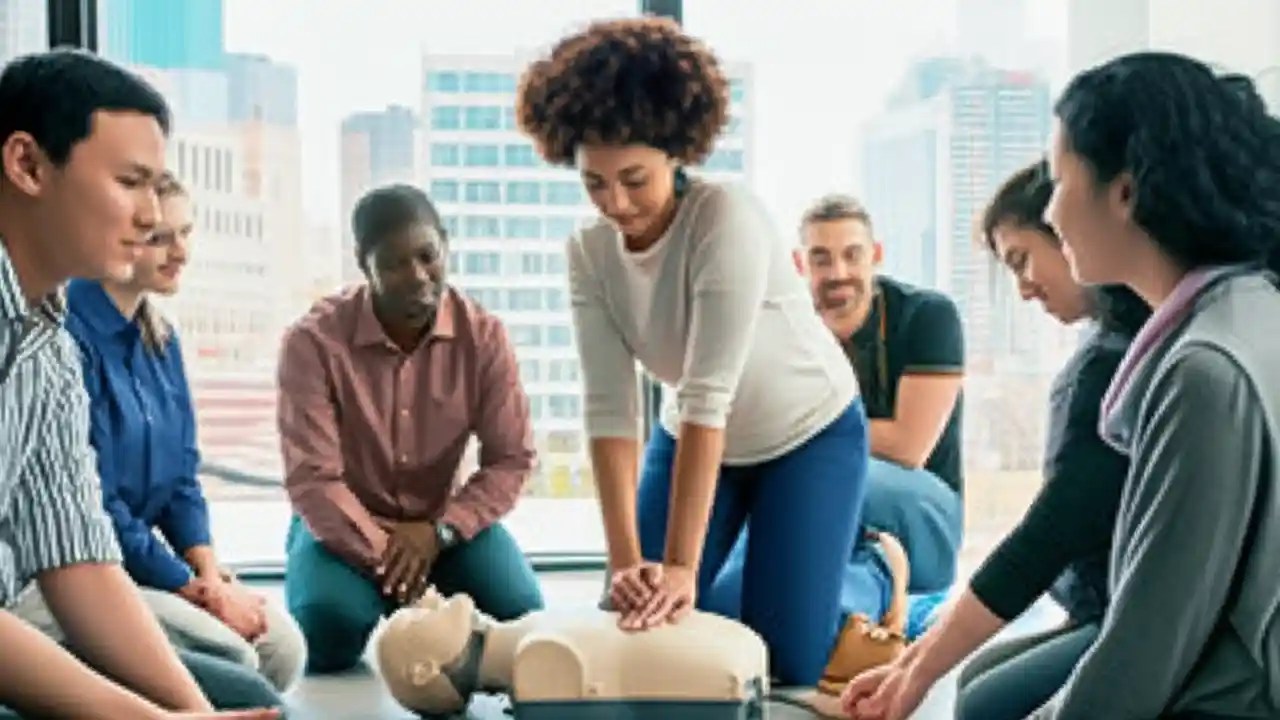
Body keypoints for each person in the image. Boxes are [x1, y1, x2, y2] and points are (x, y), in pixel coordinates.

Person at [871, 52, 1280, 719]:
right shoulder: (1249, 307)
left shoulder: (1202, 373)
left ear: (1125, 192)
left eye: (1060, 181)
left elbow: (1145, 647)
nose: (1053, 209)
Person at [516, 16, 873, 687]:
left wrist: (681, 568)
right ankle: (759, 560)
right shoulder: (588, 255)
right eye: (595, 182)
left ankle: (870, 568)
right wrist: (626, 566)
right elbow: (610, 413)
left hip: (809, 432)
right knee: (641, 624)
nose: (616, 202)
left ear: (676, 156)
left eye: (634, 178)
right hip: (695, 441)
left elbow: (712, 395)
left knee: (787, 658)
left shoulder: (725, 218)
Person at [0, 49, 279, 719]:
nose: (152, 217)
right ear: (28, 165)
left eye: (158, 187)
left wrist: (193, 717)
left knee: (243, 698)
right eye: (131, 182)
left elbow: (78, 559)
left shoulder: (47, 346)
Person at [841, 159, 1149, 720]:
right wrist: (915, 664)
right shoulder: (1109, 345)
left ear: (1070, 232)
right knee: (979, 679)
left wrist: (917, 668)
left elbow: (1047, 536)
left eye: (1023, 260)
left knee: (985, 700)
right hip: (1090, 606)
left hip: (1122, 613)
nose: (1024, 288)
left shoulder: (1114, 366)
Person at [14, 173, 305, 692]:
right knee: (236, 655)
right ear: (118, 237)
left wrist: (211, 578)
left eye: (186, 233)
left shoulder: (161, 339)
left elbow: (182, 482)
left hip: (148, 569)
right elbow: (92, 509)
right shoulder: (65, 337)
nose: (181, 252)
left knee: (283, 648)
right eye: (160, 237)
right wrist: (191, 588)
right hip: (74, 573)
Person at [278, 183, 545, 674]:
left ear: (445, 245)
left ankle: (408, 583)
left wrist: (438, 533)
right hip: (342, 524)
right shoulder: (311, 343)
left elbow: (512, 459)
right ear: (364, 265)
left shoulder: (484, 337)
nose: (418, 276)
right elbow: (314, 479)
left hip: (444, 523)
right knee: (327, 632)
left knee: (523, 620)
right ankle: (363, 592)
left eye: (427, 256)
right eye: (394, 264)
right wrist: (394, 555)